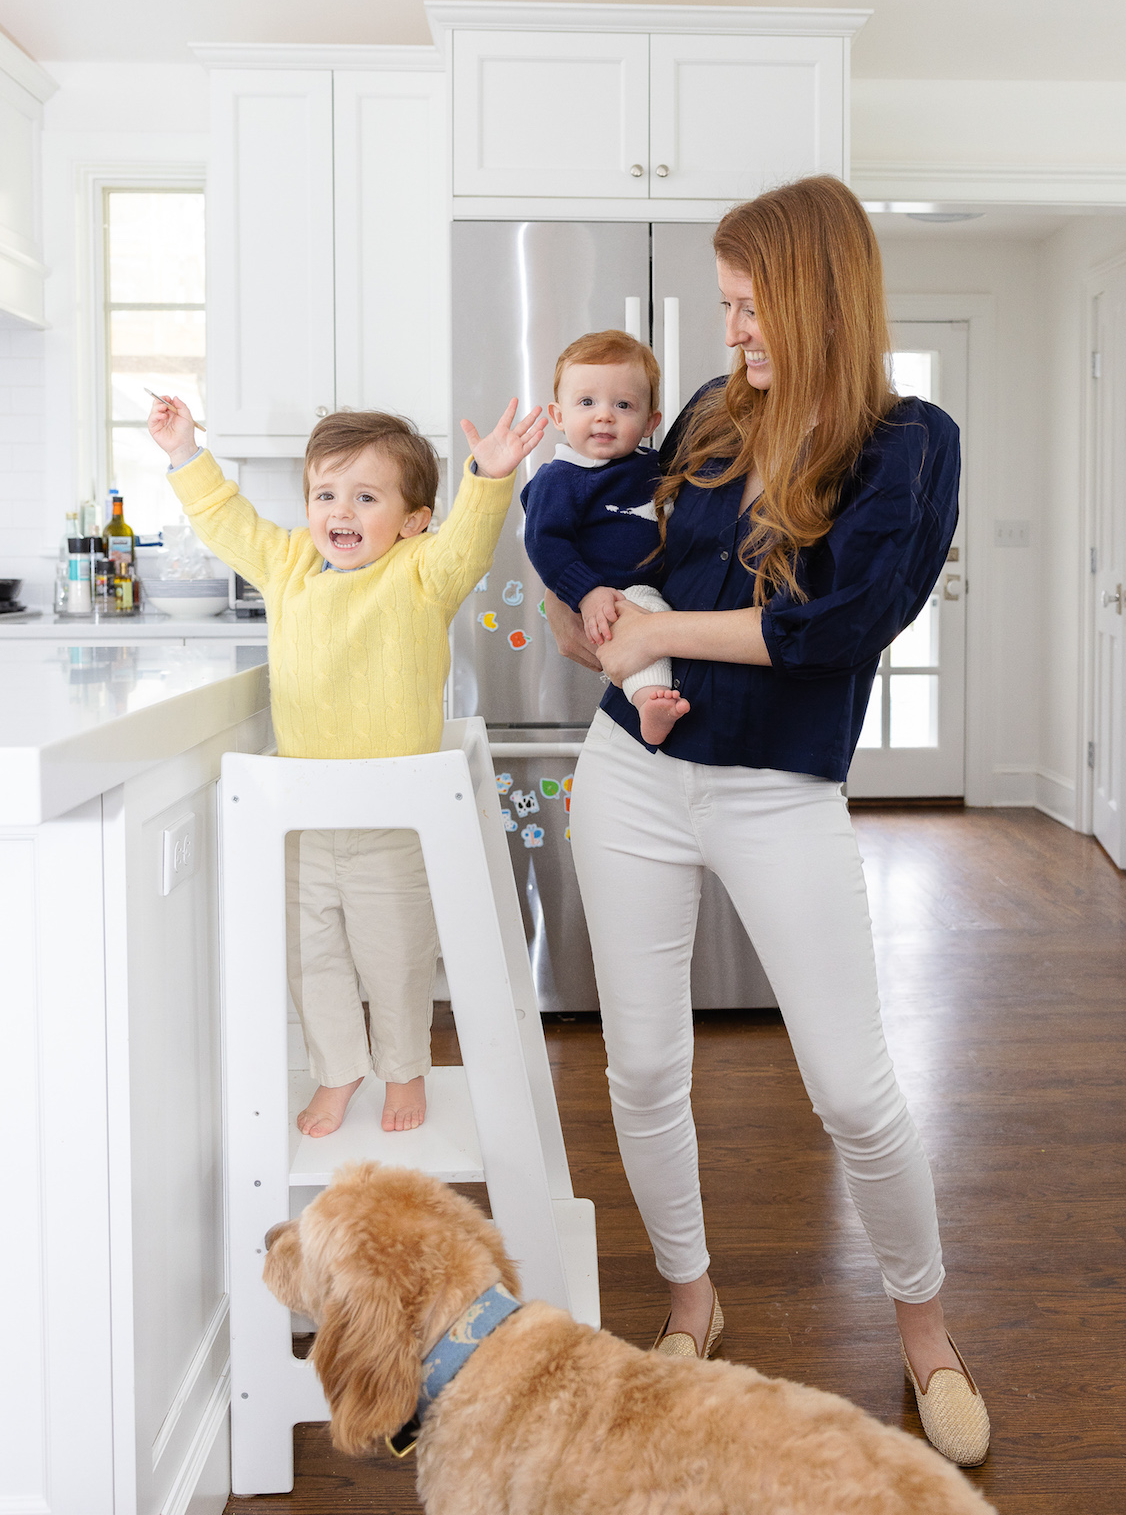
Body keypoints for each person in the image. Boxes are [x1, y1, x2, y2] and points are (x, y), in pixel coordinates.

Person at [544, 176, 989, 1467]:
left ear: (815, 294)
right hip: (631, 767)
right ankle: (693, 1299)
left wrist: (667, 627)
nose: (730, 331)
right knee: (640, 1069)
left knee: (853, 1089)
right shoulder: (702, 415)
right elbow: (631, 568)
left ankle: (927, 1336)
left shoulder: (910, 442)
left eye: (749, 305)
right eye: (725, 305)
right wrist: (599, 626)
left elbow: (837, 627)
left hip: (776, 788)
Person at [149, 396, 545, 1137]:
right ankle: (339, 1070)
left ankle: (403, 1070)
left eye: (366, 497)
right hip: (302, 823)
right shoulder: (289, 562)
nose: (341, 511)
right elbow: (227, 521)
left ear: (413, 518)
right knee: (312, 960)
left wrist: (490, 480)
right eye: (325, 494)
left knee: (396, 962)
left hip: (394, 826)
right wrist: (183, 455)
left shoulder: (423, 571)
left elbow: (470, 545)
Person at [520, 330, 690, 745]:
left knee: (658, 622)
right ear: (558, 416)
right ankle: (649, 702)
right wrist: (588, 592)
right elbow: (546, 543)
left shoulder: (655, 467)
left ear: (651, 422)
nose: (604, 416)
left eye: (623, 405)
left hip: (663, 592)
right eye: (587, 402)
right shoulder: (560, 478)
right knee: (641, 619)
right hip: (612, 594)